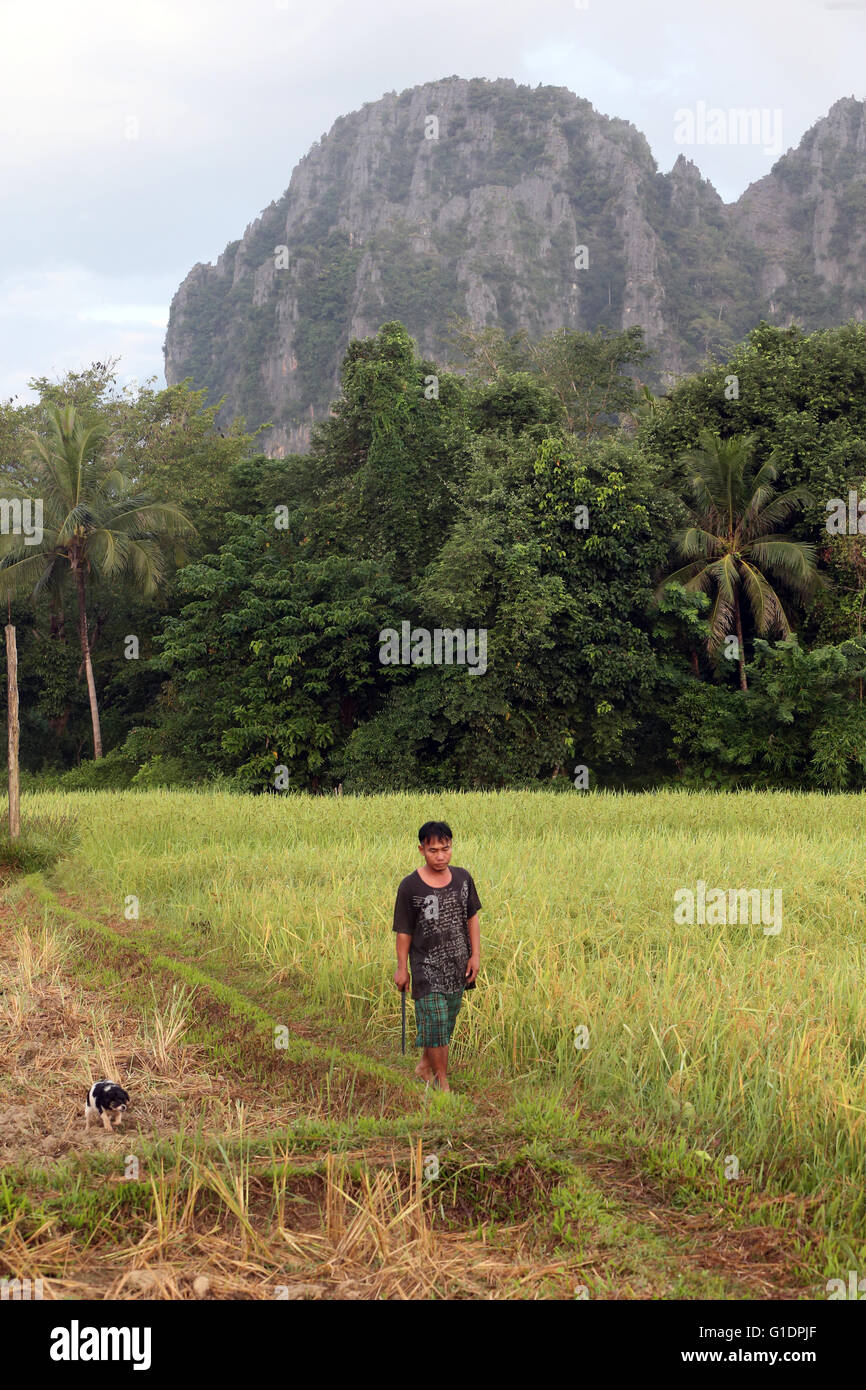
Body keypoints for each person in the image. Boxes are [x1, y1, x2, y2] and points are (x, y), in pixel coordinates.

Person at [392, 820, 481, 1092]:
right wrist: (401, 968)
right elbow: (404, 931)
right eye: (433, 850)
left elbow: (472, 918)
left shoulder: (463, 878)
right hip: (425, 968)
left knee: (444, 1023)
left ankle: (423, 1066)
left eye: (446, 848)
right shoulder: (410, 886)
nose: (440, 856)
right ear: (421, 850)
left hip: (457, 964)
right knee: (436, 1020)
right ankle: (442, 1081)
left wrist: (475, 954)